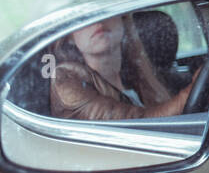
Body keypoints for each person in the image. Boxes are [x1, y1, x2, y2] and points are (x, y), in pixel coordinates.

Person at [49, 13, 200, 121]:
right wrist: (187, 95)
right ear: (69, 37)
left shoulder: (140, 71)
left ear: (123, 17)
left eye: (105, 10)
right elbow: (136, 124)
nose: (97, 20)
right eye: (83, 16)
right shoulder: (65, 79)